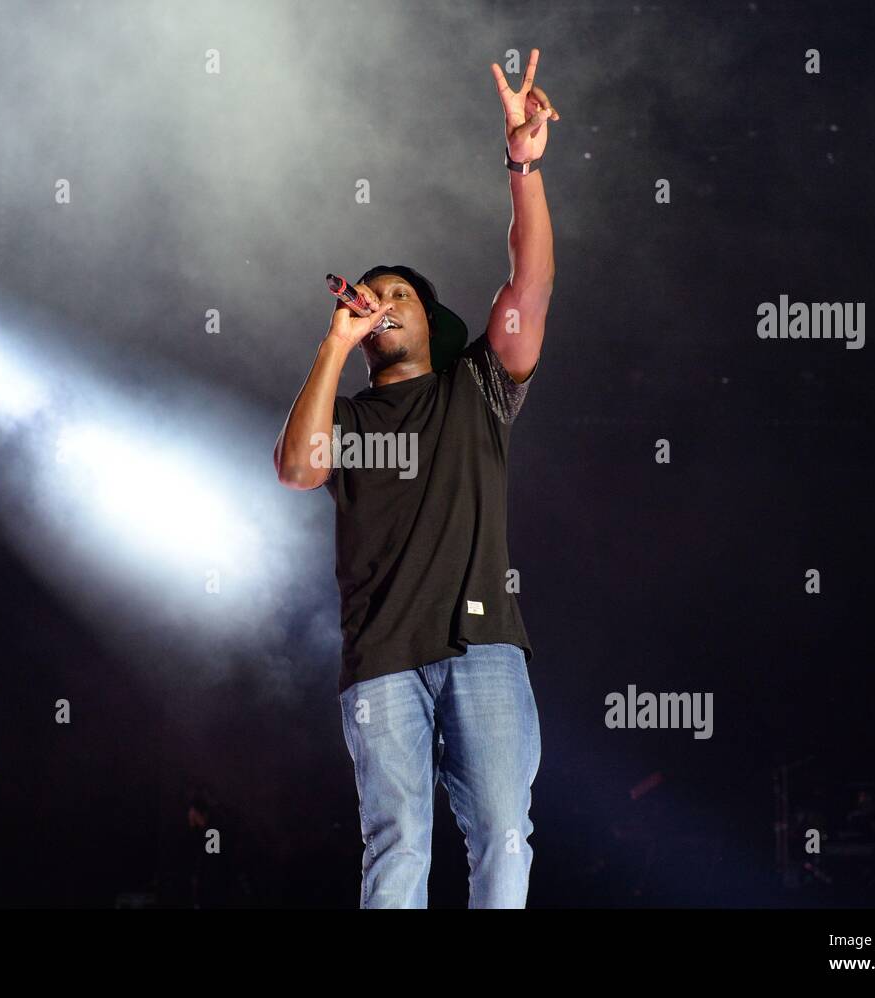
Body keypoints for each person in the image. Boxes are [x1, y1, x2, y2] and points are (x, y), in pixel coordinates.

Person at [273, 49, 558, 907]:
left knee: (505, 831)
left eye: (396, 292)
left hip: (483, 649)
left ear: (427, 320)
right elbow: (297, 468)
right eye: (371, 295)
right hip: (383, 660)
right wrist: (332, 343)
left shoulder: (475, 386)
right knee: (398, 845)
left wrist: (523, 168)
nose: (380, 301)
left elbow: (532, 282)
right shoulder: (351, 425)